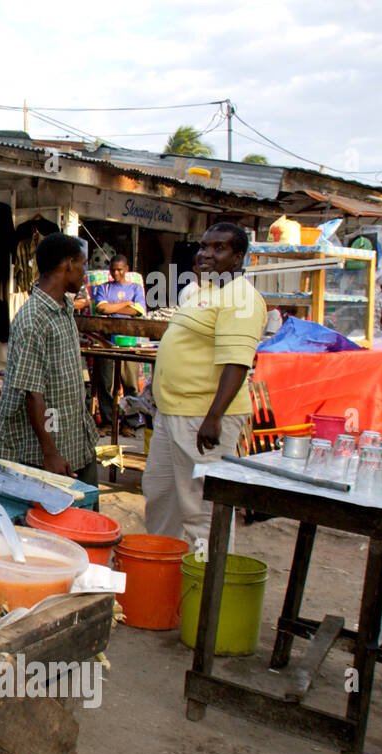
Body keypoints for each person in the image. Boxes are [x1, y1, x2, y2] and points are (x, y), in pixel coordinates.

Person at [143, 223, 266, 548]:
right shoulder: (200, 291)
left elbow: (237, 362)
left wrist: (214, 417)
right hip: (172, 414)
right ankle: (161, 575)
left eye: (218, 248)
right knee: (161, 496)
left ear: (238, 257)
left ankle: (206, 587)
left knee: (200, 510)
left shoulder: (242, 298)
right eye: (203, 246)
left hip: (203, 417)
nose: (206, 254)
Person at [0, 233, 99, 483]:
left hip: (75, 443)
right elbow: (33, 393)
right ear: (69, 265)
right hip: (42, 455)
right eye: (83, 264)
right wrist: (50, 452)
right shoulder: (33, 319)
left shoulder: (62, 309)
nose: (84, 272)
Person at [88, 255, 147, 431]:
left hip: (128, 342)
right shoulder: (103, 287)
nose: (116, 272)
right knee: (106, 384)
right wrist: (127, 304)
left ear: (127, 269)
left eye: (120, 269)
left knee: (130, 385)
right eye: (113, 269)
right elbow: (101, 308)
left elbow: (138, 311)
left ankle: (130, 423)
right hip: (105, 341)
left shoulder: (136, 288)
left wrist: (114, 306)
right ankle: (108, 422)